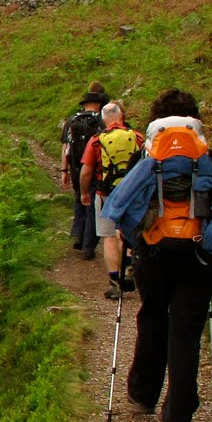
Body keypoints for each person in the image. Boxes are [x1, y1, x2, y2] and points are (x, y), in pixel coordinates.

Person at [119, 88, 212, 422]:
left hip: (154, 253)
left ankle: (143, 392)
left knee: (152, 317)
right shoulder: (208, 157)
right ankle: (178, 421)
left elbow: (129, 204)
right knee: (186, 332)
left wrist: (134, 244)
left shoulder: (148, 156)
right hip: (198, 256)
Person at [79, 102, 144, 298]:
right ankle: (131, 273)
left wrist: (84, 192)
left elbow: (86, 171)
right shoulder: (138, 137)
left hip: (106, 194)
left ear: (103, 119)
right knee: (129, 233)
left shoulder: (97, 140)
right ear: (121, 116)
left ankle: (115, 282)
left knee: (108, 236)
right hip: (133, 194)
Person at [61, 83, 108, 259]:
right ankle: (89, 247)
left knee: (79, 199)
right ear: (99, 104)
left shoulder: (72, 120)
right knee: (93, 206)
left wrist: (64, 170)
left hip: (75, 168)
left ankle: (78, 237)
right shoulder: (101, 122)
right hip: (95, 169)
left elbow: (65, 146)